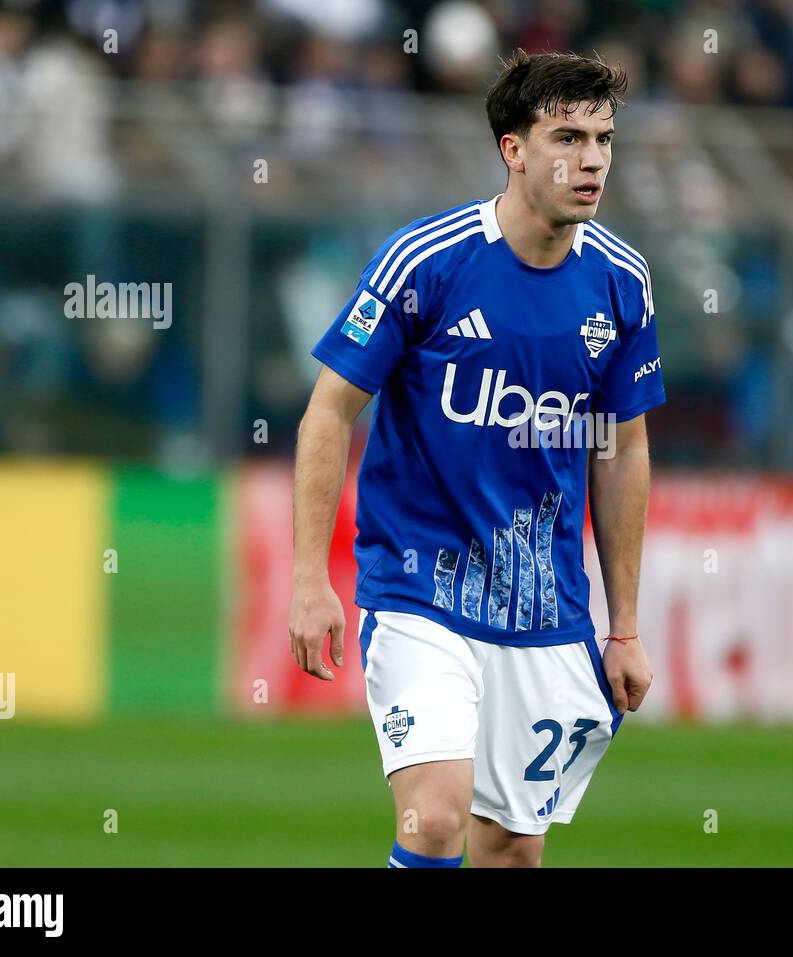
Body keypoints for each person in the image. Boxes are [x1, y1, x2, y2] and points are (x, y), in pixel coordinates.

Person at [288, 49, 664, 868]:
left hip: (543, 610)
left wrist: (625, 626)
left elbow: (621, 449)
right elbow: (328, 410)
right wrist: (310, 577)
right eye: (568, 137)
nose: (592, 160)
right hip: (421, 589)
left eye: (603, 139)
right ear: (513, 149)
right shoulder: (426, 261)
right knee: (433, 818)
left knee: (513, 851)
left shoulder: (622, 282)